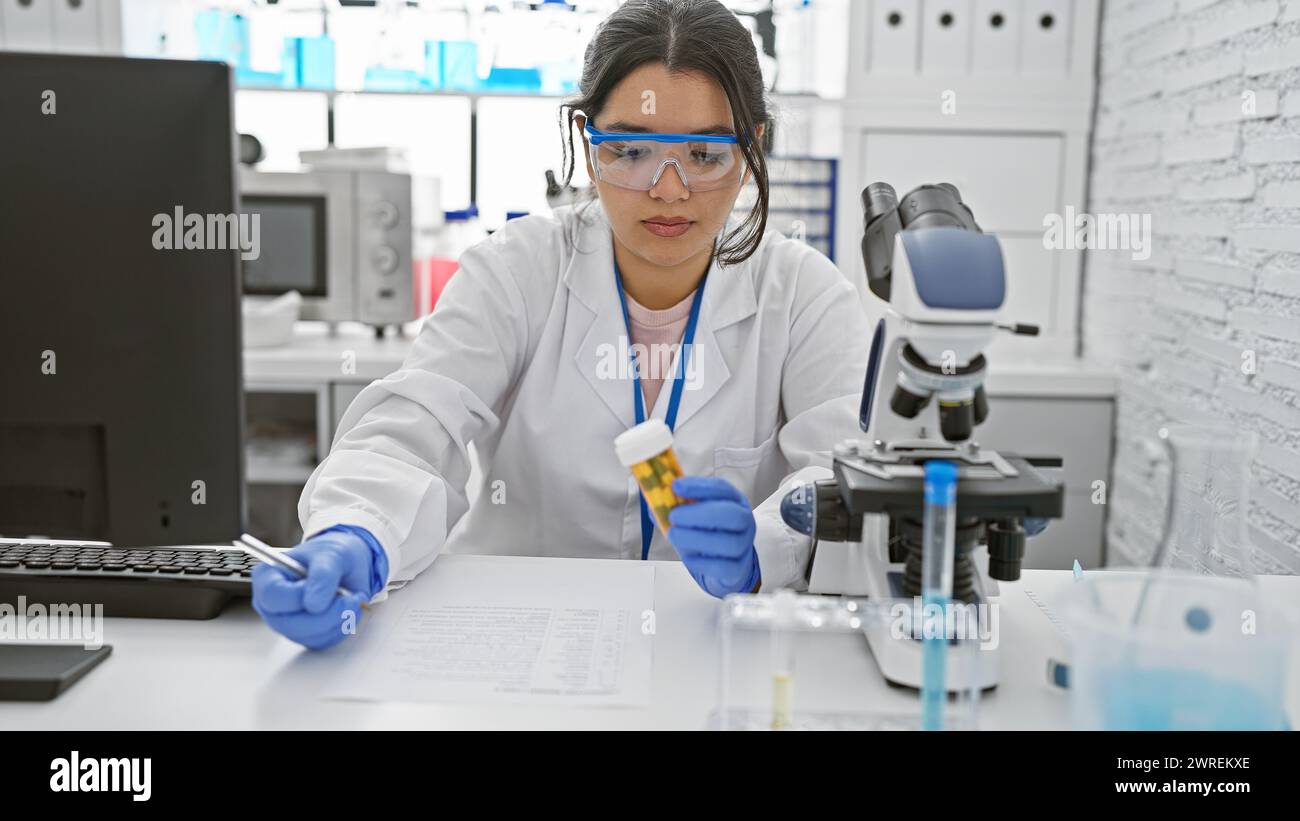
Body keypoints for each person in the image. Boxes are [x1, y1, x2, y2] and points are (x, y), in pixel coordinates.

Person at [253, 0, 871, 650]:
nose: (667, 188)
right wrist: (355, 532)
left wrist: (766, 547)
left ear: (751, 151)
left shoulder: (804, 293)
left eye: (704, 153)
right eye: (630, 150)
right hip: (516, 644)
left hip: (711, 649)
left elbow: (844, 475)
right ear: (585, 140)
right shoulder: (516, 271)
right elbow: (412, 430)